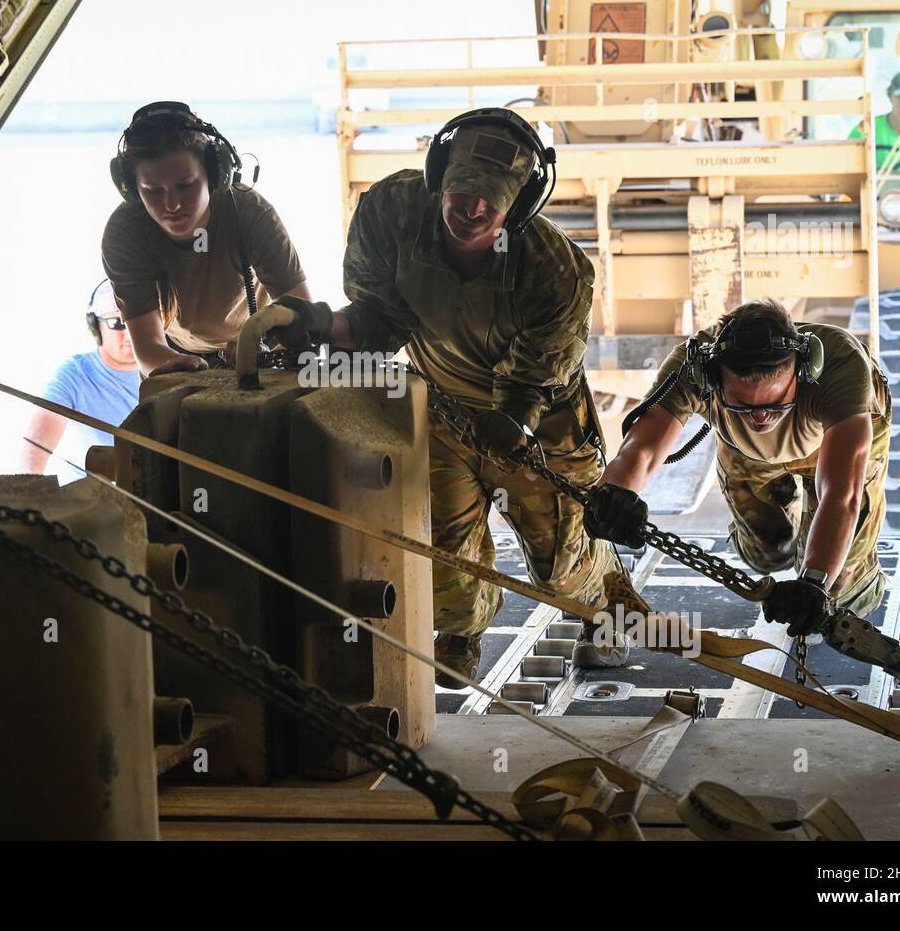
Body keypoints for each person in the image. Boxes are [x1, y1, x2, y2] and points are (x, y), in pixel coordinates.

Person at [264, 108, 635, 687]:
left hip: (543, 422)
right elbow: (380, 321)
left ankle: (609, 600)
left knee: (560, 570)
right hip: (443, 407)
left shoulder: (552, 267)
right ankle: (462, 628)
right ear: (441, 177)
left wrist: (512, 420)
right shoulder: (390, 215)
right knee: (441, 549)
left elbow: (538, 373)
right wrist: (320, 328)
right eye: (462, 191)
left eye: (492, 199)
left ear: (520, 203)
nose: (474, 210)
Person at [587, 299, 892, 636]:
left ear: (805, 371)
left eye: (775, 404)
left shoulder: (840, 364)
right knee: (767, 555)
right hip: (746, 451)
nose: (761, 417)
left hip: (832, 445)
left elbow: (841, 493)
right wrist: (615, 493)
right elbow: (642, 447)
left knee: (840, 593)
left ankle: (851, 578)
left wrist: (815, 581)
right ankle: (781, 521)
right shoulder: (692, 368)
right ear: (712, 379)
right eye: (745, 405)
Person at [100, 102, 310, 376]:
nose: (171, 204)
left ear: (215, 176)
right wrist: (179, 367)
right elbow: (148, 347)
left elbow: (303, 315)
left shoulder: (250, 213)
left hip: (264, 342)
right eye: (152, 190)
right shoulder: (124, 233)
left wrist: (272, 350)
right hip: (175, 353)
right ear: (131, 190)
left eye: (185, 185)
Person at [19, 279, 141, 481]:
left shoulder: (170, 372)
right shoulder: (74, 374)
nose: (130, 333)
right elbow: (35, 446)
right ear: (95, 326)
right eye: (116, 322)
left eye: (136, 320)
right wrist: (27, 491)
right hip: (93, 505)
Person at [848, 68, 900, 180]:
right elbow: (846, 167)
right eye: (899, 91)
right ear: (890, 94)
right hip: (874, 196)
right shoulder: (866, 129)